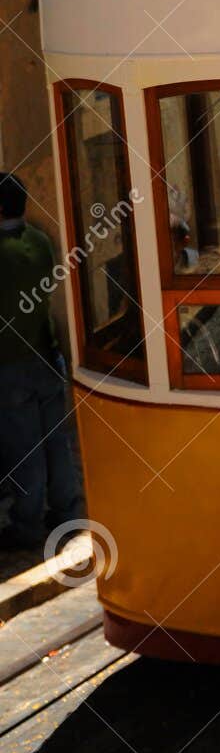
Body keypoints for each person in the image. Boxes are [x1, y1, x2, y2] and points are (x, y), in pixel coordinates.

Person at [0, 173, 81, 550]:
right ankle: (66, 511)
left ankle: (28, 524)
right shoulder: (40, 241)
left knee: (24, 446)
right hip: (48, 353)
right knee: (56, 440)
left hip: (11, 363)